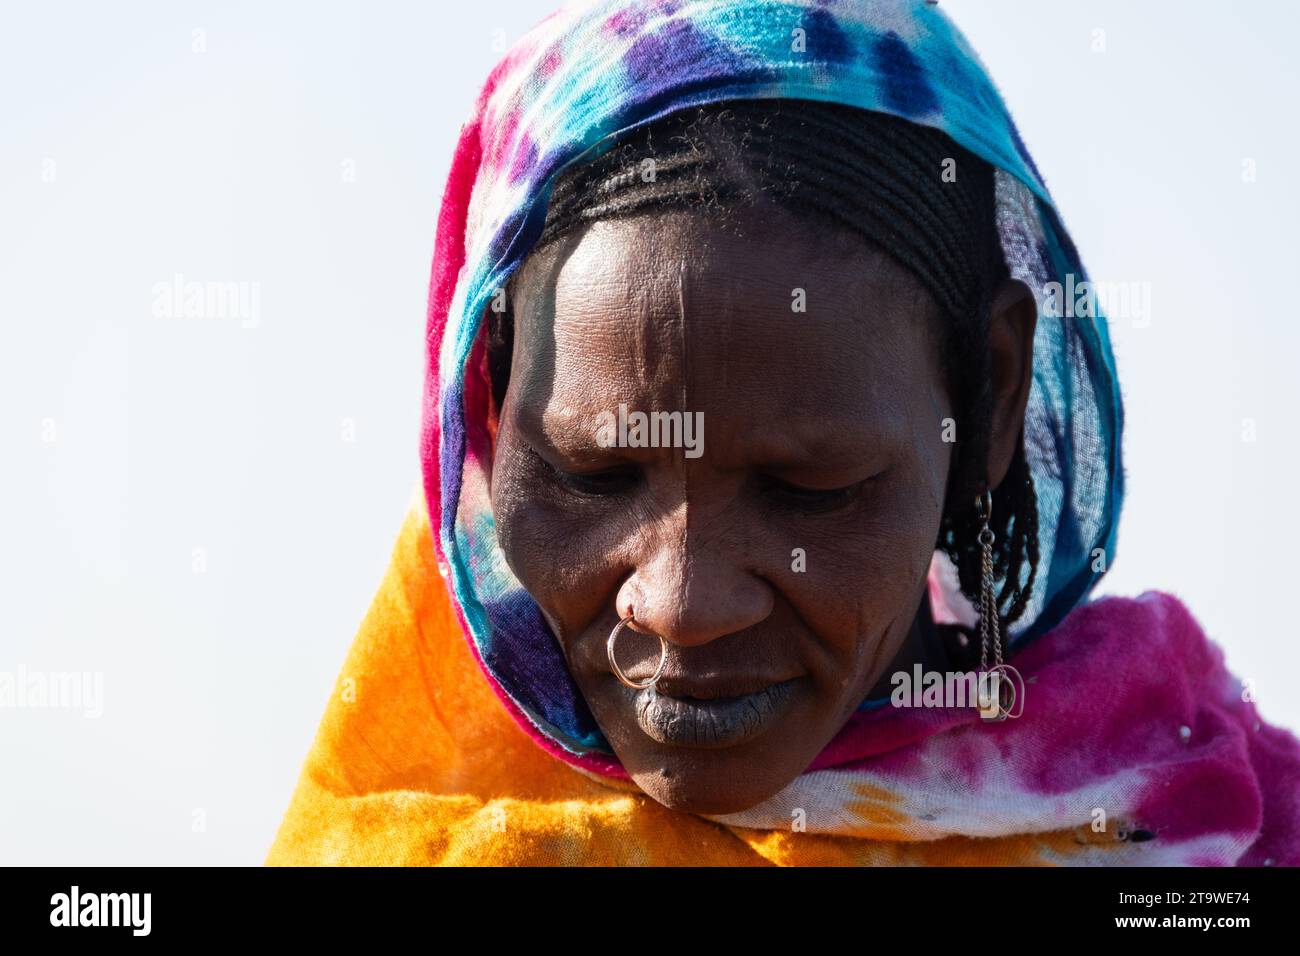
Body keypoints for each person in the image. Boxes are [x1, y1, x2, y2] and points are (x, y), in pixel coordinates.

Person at [267, 0, 1300, 866]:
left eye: (810, 488)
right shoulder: (397, 815)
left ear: (987, 396)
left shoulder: (1198, 826)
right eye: (592, 472)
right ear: (490, 415)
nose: (681, 605)